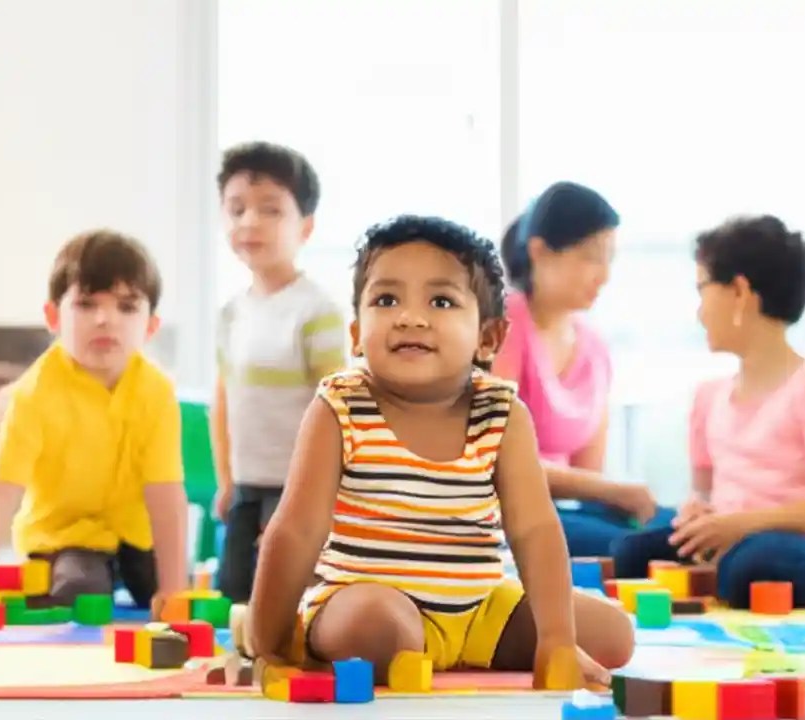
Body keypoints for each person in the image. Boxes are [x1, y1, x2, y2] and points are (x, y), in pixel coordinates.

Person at [241, 215, 634, 684]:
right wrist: (270, 641)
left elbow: (534, 530)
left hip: (479, 612)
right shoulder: (340, 407)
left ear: (488, 338)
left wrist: (556, 641)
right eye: (386, 300)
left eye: (441, 300)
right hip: (371, 601)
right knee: (376, 627)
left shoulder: (502, 413)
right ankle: (286, 631)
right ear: (355, 335)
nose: (410, 317)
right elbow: (296, 531)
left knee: (614, 634)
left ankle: (447, 651)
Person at [609, 216, 805, 609]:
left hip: (798, 543)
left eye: (702, 289)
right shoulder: (709, 398)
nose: (700, 312)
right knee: (632, 553)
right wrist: (697, 512)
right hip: (728, 540)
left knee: (752, 566)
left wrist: (738, 525)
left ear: (739, 291)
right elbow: (704, 494)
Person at [0, 230, 188, 615]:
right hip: (65, 535)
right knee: (82, 591)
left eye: (127, 307)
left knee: (167, 588)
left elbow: (166, 494)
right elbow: (0, 493)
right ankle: (46, 578)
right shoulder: (34, 394)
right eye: (87, 304)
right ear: (53, 317)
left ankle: (135, 576)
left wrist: (176, 589)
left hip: (134, 534)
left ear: (151, 326)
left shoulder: (157, 391)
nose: (105, 319)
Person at [494, 181, 671, 557]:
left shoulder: (593, 348)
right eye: (591, 256)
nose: (603, 275)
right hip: (505, 511)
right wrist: (614, 490)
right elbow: (499, 459)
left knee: (671, 527)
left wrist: (620, 496)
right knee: (635, 548)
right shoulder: (505, 325)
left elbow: (589, 478)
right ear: (539, 251)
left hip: (566, 511)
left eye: (609, 259)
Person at [211, 141, 347, 603]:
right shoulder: (231, 313)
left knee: (290, 592)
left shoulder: (316, 310)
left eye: (270, 210)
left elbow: (336, 406)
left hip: (297, 488)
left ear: (304, 227)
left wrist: (315, 494)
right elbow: (224, 400)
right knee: (233, 590)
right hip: (248, 483)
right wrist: (226, 479)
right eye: (236, 209)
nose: (249, 222)